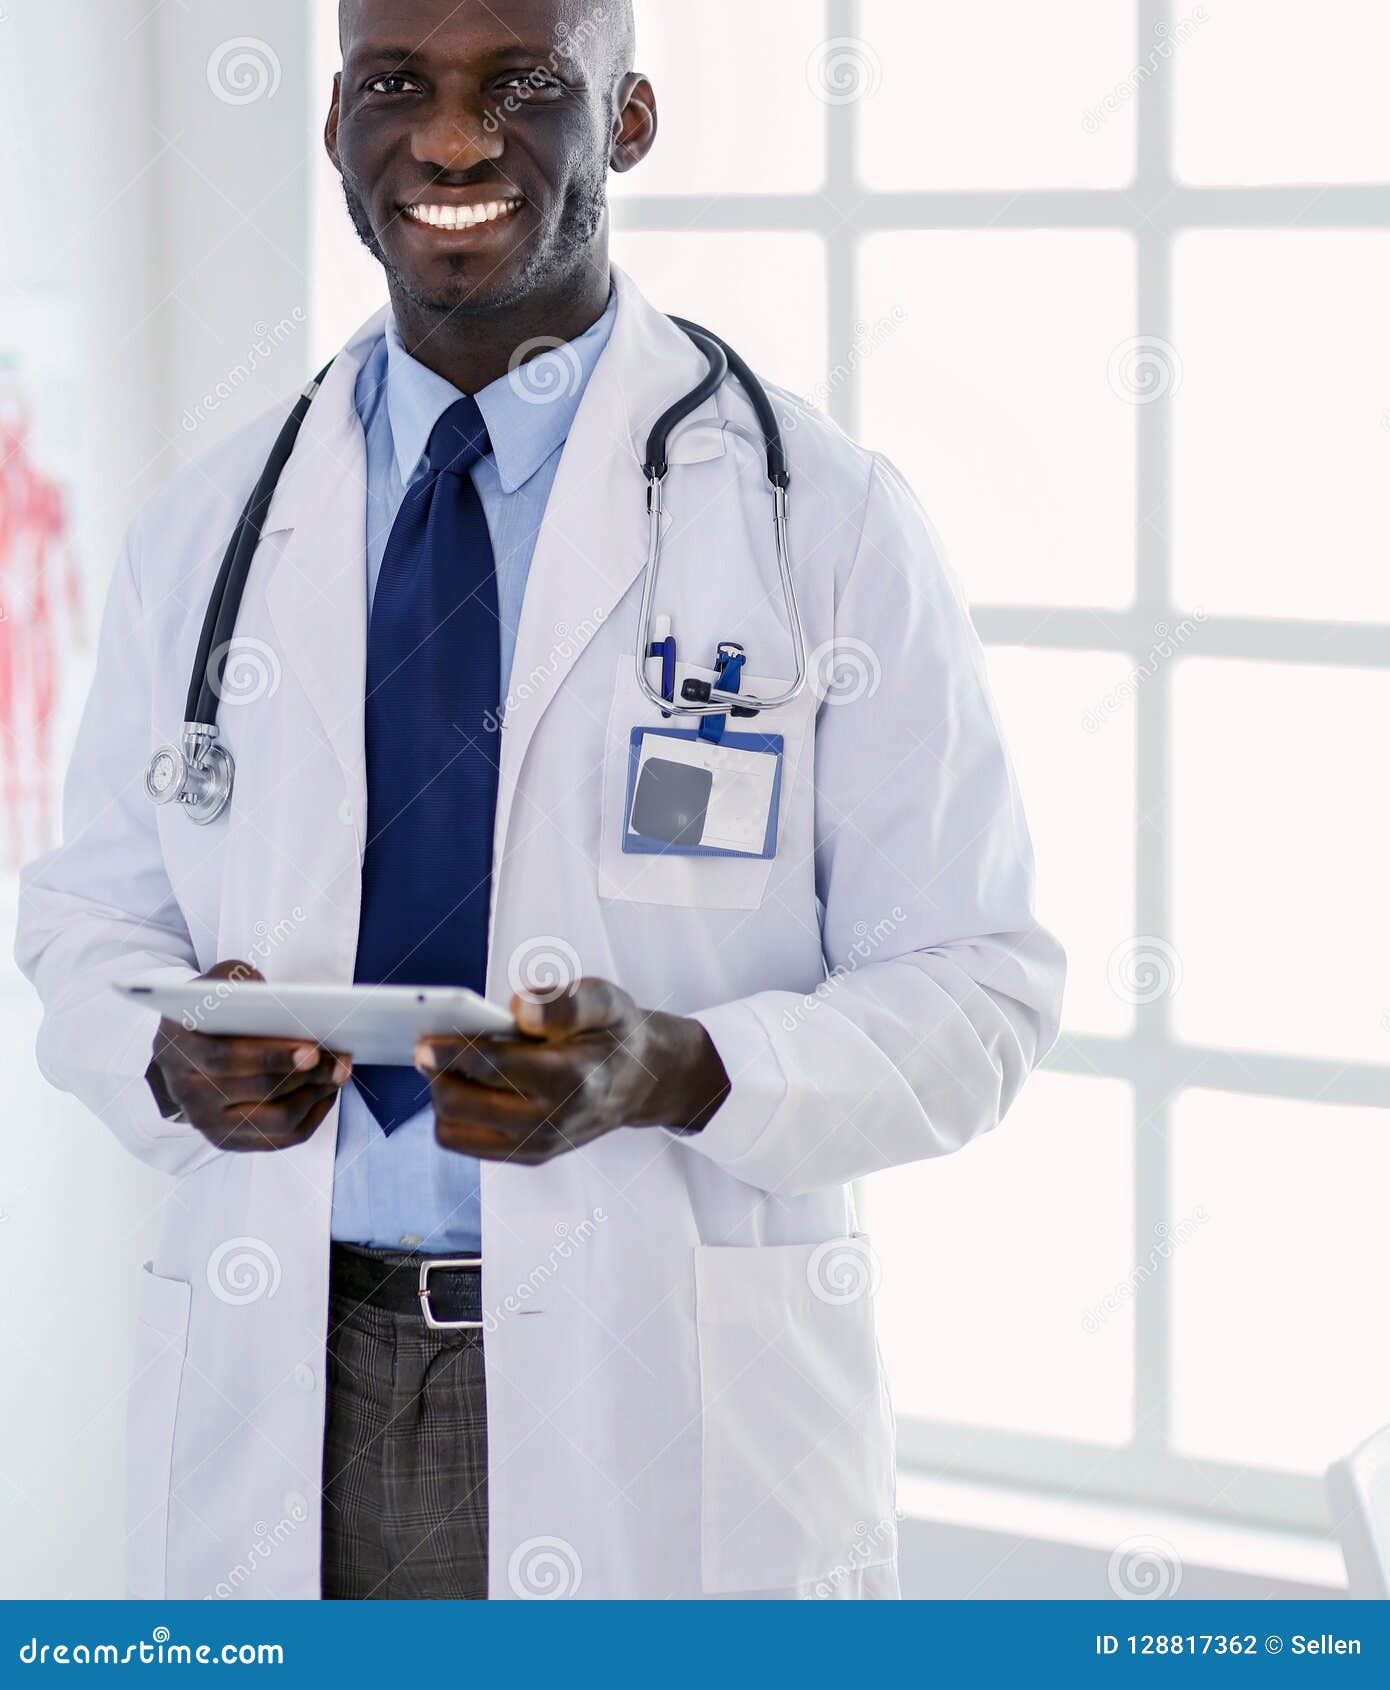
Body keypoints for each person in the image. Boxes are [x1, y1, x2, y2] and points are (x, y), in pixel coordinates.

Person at [16, 0, 1064, 1601]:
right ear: (333, 129)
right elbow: (90, 912)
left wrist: (689, 1069)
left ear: (626, 119)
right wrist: (164, 1054)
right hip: (295, 1366)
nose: (447, 140)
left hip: (656, 1390)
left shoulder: (822, 522)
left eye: (522, 86)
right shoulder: (216, 517)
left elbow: (983, 988)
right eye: (394, 87)